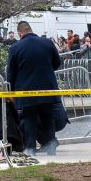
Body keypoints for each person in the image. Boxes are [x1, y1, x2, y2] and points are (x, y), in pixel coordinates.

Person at [6, 20, 63, 156]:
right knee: (48, 118)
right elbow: (57, 63)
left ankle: (30, 149)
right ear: (31, 30)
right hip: (48, 88)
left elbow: (11, 73)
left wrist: (12, 92)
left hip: (26, 90)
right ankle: (51, 146)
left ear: (20, 34)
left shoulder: (15, 48)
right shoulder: (47, 43)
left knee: (29, 119)